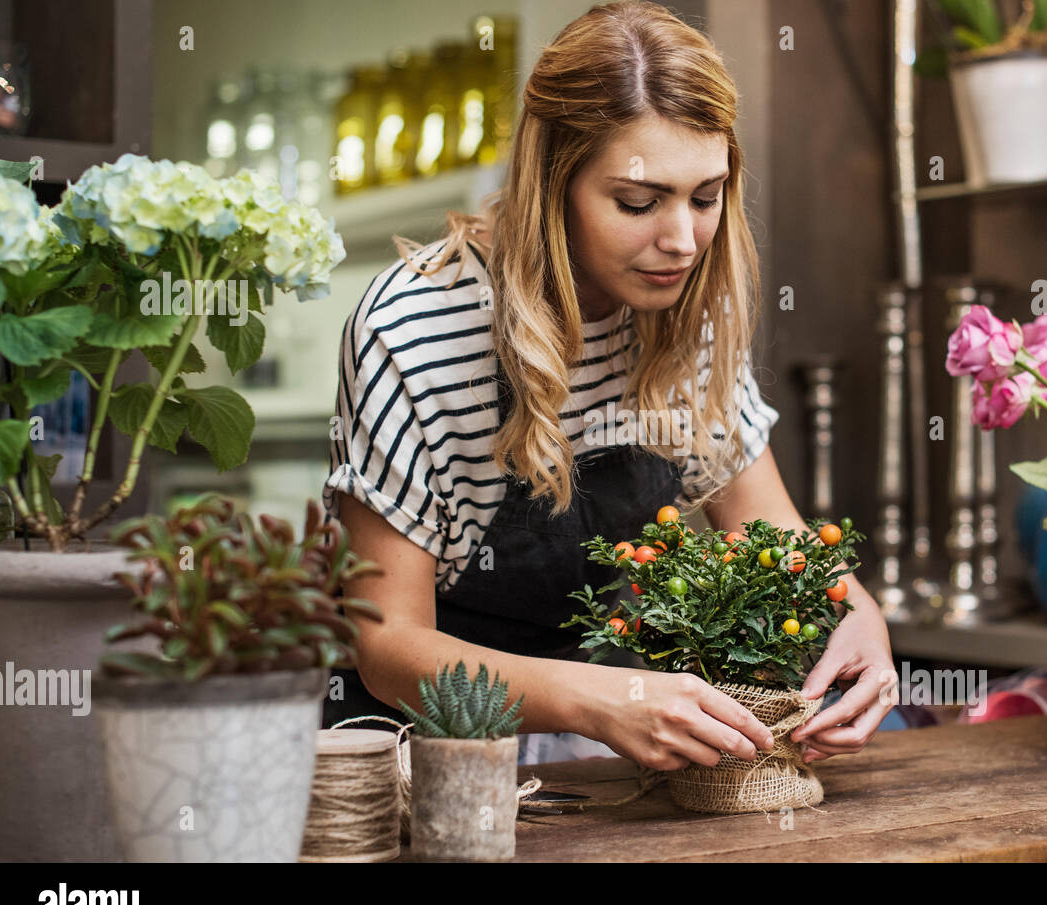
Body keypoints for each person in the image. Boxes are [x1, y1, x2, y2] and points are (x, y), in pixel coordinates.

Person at [323, 0, 894, 770]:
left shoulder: (687, 302)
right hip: (417, 754)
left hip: (588, 746)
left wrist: (856, 612)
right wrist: (599, 700)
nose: (683, 241)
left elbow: (771, 536)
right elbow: (386, 645)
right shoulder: (416, 332)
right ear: (552, 182)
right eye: (637, 202)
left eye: (705, 195)